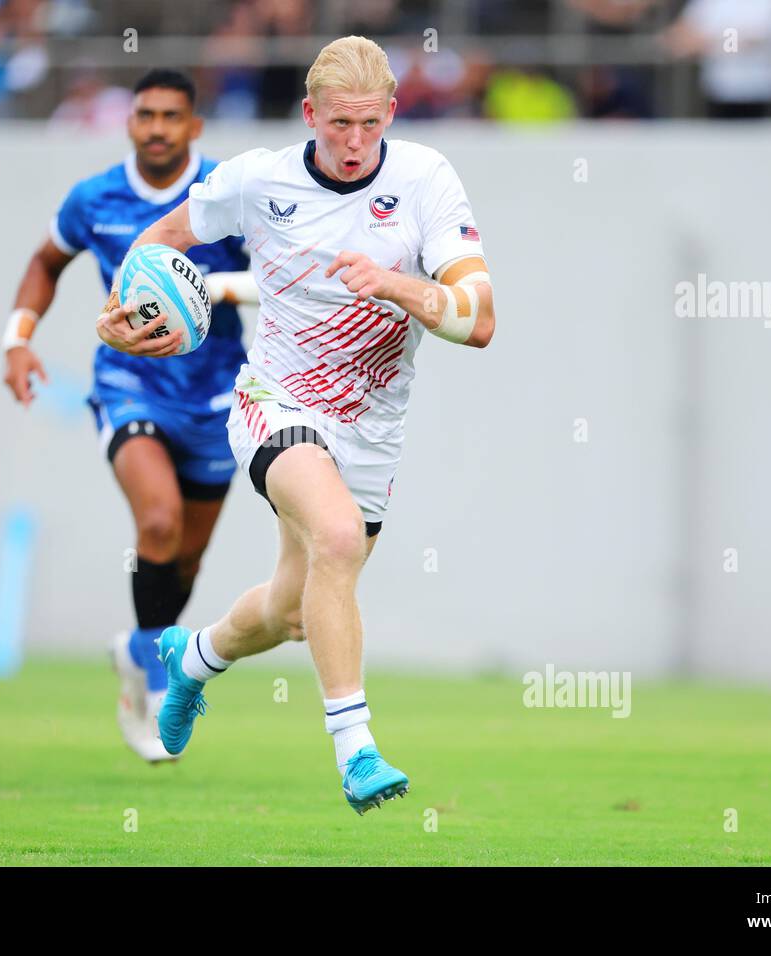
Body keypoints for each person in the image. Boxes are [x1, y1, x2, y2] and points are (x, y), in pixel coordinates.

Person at [94, 36, 496, 812]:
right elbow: (162, 239)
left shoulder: (426, 180)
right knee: (337, 537)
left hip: (372, 426)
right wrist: (121, 307)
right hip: (276, 401)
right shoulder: (256, 181)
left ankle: (195, 661)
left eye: (369, 125)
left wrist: (396, 285)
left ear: (391, 113)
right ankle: (357, 750)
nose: (353, 143)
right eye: (338, 123)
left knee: (291, 611)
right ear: (310, 114)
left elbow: (480, 320)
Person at [1, 69, 253, 762]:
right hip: (129, 386)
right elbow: (46, 261)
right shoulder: (95, 199)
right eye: (146, 114)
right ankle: (146, 683)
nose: (158, 127)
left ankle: (138, 650)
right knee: (159, 522)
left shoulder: (226, 191)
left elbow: (278, 277)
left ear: (194, 127)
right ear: (130, 122)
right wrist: (17, 339)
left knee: (187, 558)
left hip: (214, 397)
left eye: (173, 116)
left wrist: (206, 289)